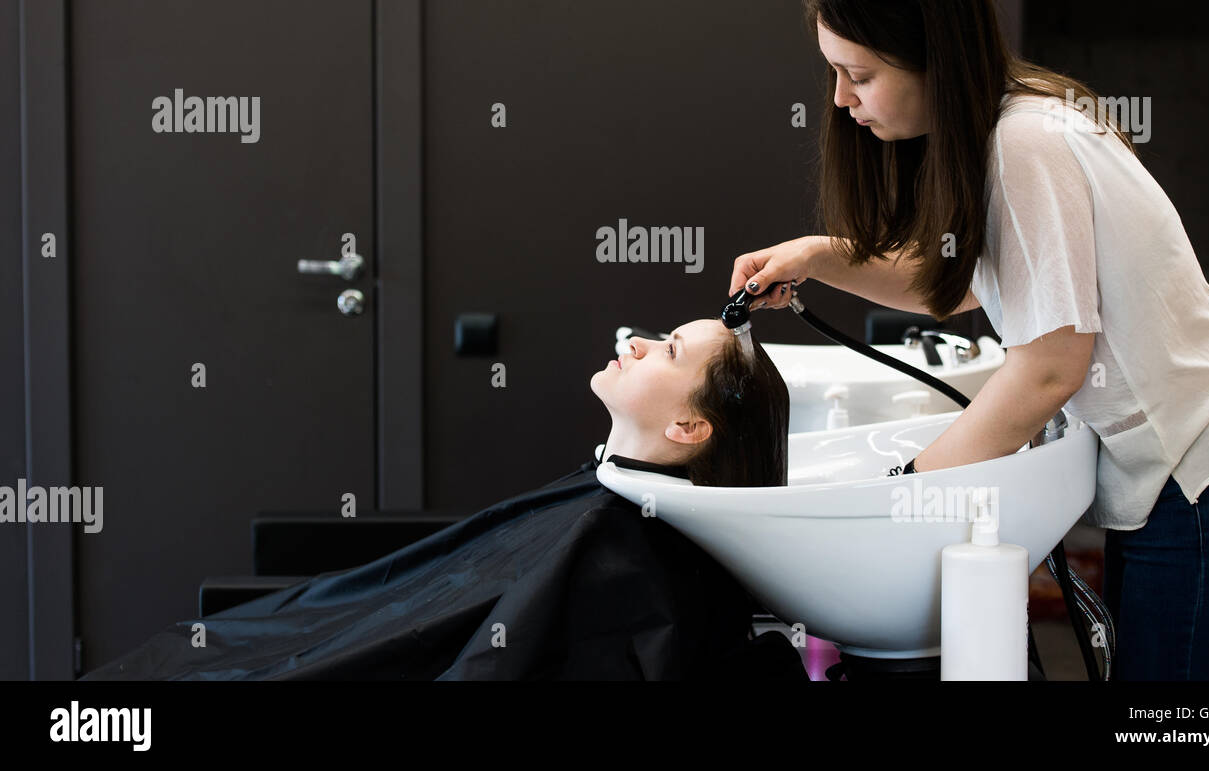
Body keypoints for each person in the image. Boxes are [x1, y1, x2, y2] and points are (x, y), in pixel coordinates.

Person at [727, 0, 1209, 681]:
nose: (840, 98)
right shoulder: (1008, 126)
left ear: (931, 57)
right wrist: (819, 255)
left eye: (857, 74)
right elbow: (950, 283)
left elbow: (1050, 369)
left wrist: (906, 488)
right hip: (1175, 476)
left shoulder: (1026, 145)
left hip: (1203, 479)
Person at [81, 319, 801, 681]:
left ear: (687, 427)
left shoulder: (621, 552)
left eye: (668, 349)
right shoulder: (612, 513)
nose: (636, 342)